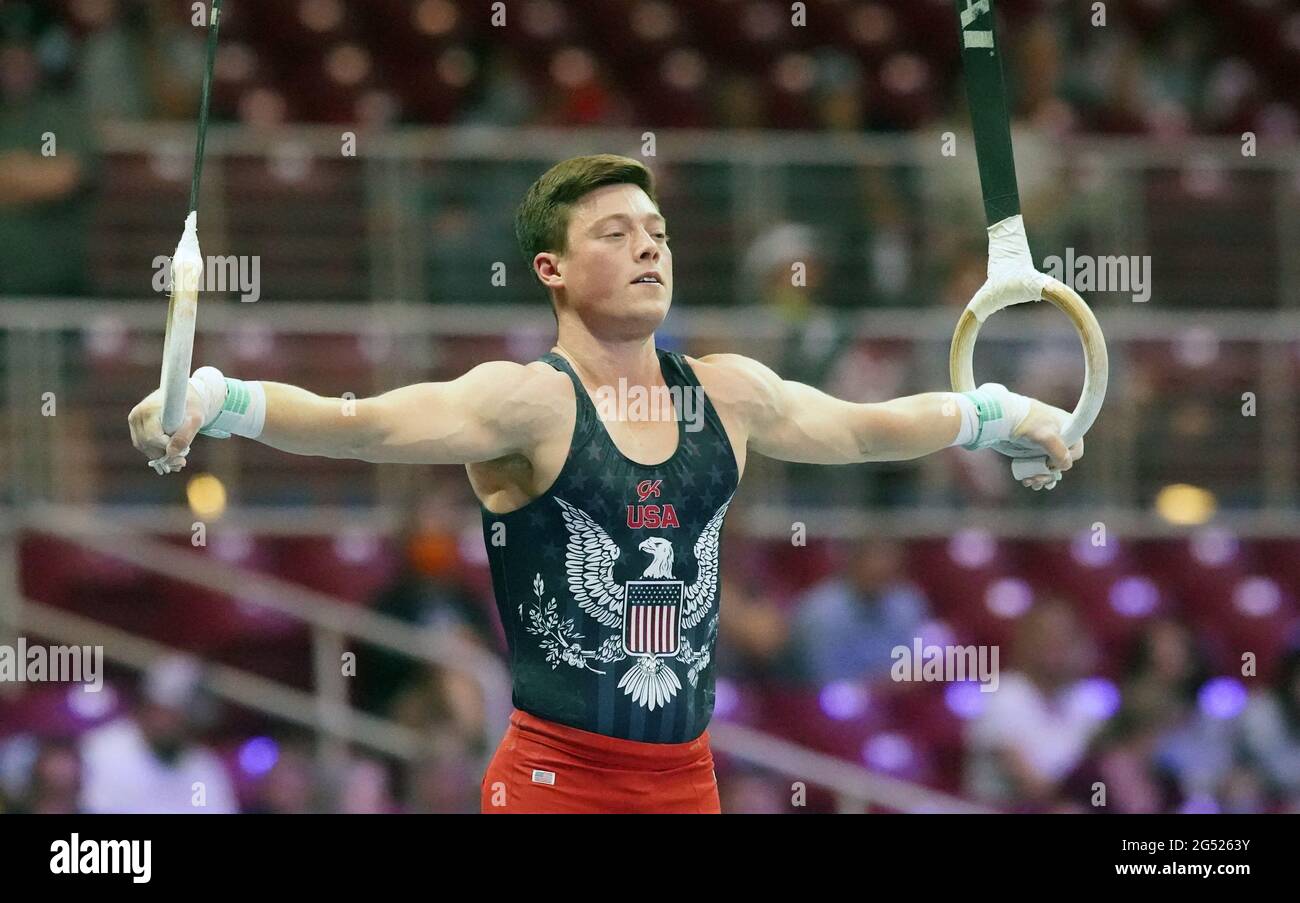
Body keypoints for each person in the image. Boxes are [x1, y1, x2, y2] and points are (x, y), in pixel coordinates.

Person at [127, 154, 1083, 813]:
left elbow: (870, 430)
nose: (648, 248)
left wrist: (1002, 412)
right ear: (551, 267)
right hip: (558, 781)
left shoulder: (729, 392)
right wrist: (214, 395)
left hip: (688, 782)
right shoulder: (525, 405)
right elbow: (362, 422)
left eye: (657, 232)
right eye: (617, 232)